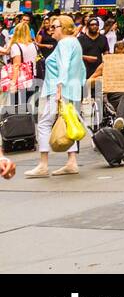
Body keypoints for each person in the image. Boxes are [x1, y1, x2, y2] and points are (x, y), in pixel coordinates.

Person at [25, 15, 85, 178]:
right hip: (72, 89)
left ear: (64, 28)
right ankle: (72, 161)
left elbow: (64, 65)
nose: (51, 29)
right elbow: (82, 68)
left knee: (44, 123)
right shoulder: (74, 42)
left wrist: (59, 87)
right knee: (69, 123)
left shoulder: (64, 43)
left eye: (55, 26)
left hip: (56, 88)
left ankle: (43, 164)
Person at [5, 19, 38, 113]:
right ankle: (25, 123)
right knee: (26, 104)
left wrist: (13, 83)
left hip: (20, 79)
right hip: (31, 78)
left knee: (15, 105)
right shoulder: (34, 45)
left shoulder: (16, 46)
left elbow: (16, 65)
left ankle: (16, 124)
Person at [77, 15, 109, 81]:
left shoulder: (103, 38)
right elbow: (75, 55)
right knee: (86, 90)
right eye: (92, 25)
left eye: (96, 25)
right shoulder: (80, 39)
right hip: (84, 70)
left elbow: (106, 53)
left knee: (98, 90)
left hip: (98, 71)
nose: (94, 26)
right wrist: (87, 57)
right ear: (88, 26)